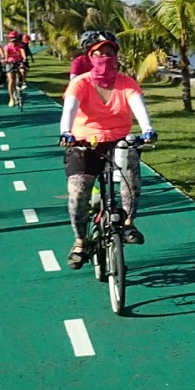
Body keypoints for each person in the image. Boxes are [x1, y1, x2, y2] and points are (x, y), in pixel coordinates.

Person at [58, 31, 157, 267]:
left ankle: (128, 223)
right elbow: (69, 110)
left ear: (116, 56)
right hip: (83, 143)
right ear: (90, 57)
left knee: (130, 172)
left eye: (109, 53)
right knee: (78, 193)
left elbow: (138, 106)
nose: (104, 57)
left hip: (119, 141)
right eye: (98, 53)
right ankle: (81, 241)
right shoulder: (80, 83)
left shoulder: (126, 82)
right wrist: (66, 132)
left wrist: (148, 129)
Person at [3, 31, 28, 107]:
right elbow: (6, 55)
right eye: (11, 39)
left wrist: (24, 59)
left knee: (22, 70)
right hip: (10, 63)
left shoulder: (20, 46)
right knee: (11, 80)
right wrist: (6, 60)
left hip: (18, 62)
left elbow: (23, 53)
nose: (13, 41)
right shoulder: (7, 47)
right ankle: (11, 98)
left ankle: (23, 82)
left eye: (15, 39)